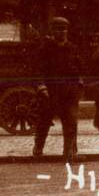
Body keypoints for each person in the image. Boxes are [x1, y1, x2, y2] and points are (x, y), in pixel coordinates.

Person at [34, 17, 82, 161]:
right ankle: (38, 148)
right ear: (52, 30)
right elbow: (37, 69)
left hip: (69, 91)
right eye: (58, 29)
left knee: (71, 122)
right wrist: (41, 85)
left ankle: (69, 152)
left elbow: (80, 66)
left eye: (64, 29)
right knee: (44, 121)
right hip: (50, 91)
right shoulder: (44, 49)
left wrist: (79, 81)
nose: (62, 32)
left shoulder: (72, 48)